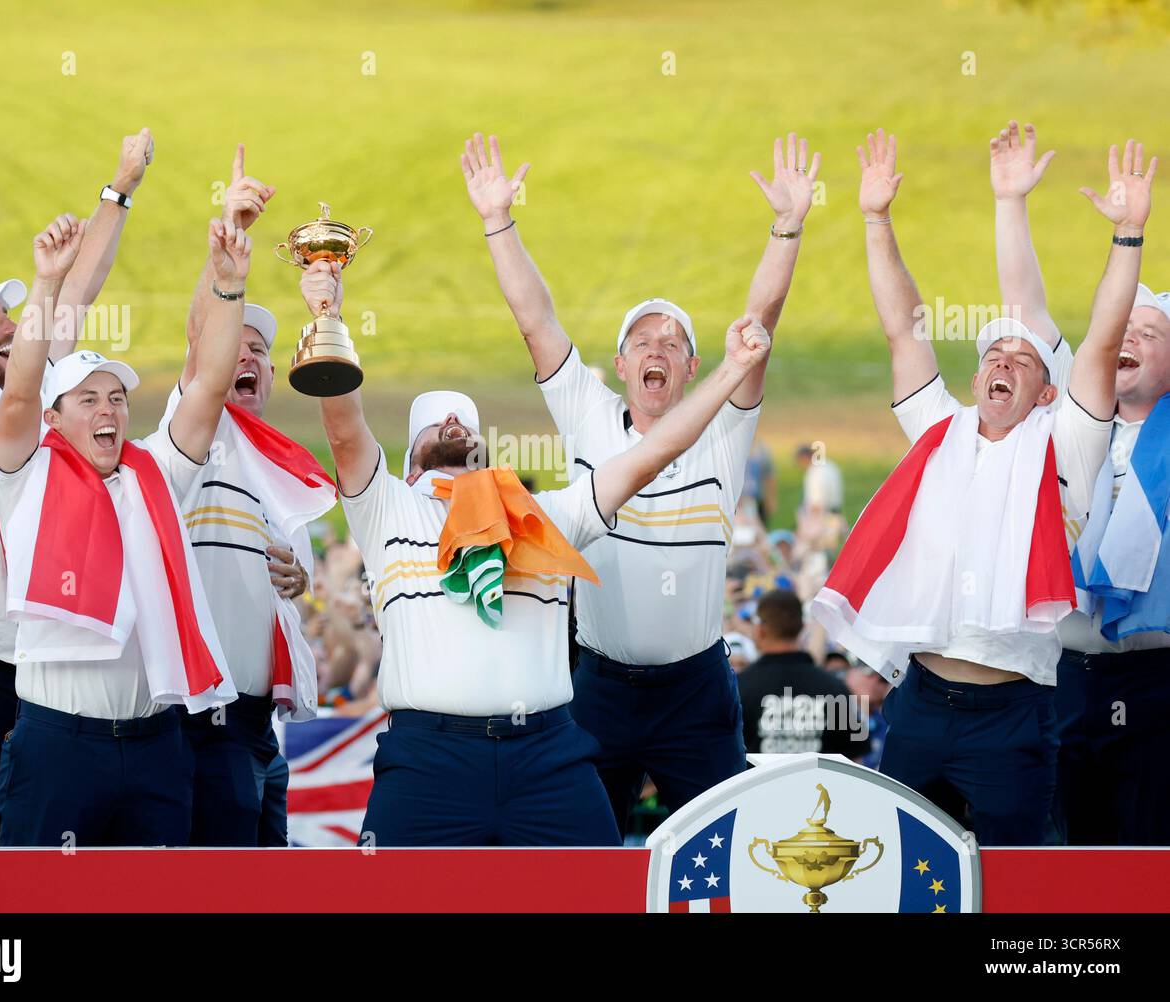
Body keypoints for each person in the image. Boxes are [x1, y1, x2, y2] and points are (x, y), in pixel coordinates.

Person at [309, 256, 772, 846]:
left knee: (597, 899)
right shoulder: (388, 510)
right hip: (428, 760)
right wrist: (329, 317)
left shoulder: (544, 515)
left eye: (463, 420)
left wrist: (733, 370)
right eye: (433, 423)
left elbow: (651, 455)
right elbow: (345, 432)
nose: (452, 420)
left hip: (549, 758)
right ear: (408, 464)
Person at [461, 130, 820, 834]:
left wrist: (787, 228)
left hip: (696, 689)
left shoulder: (722, 425)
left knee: (728, 851)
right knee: (583, 857)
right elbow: (535, 319)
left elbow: (760, 325)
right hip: (599, 686)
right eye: (641, 343)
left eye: (673, 344)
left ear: (691, 370)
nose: (656, 350)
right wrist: (497, 222)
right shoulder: (588, 415)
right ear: (620, 367)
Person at [811, 128, 1151, 846]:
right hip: (921, 704)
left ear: (1049, 390)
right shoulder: (941, 430)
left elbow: (1100, 338)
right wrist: (876, 220)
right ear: (974, 380)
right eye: (992, 353)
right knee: (898, 869)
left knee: (1018, 883)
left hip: (1015, 713)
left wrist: (1127, 236)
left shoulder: (1066, 445)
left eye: (1022, 358)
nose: (1004, 360)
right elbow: (903, 331)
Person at [0, 129, 154, 847]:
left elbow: (79, 290)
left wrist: (121, 185)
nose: (8, 325)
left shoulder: (38, 384)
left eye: (8, 311)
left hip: (49, 671)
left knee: (37, 857)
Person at [0, 216, 250, 847]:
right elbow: (19, 392)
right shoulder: (27, 470)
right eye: (88, 399)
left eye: (117, 398)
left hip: (155, 744)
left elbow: (210, 388)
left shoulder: (151, 471)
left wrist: (230, 287)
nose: (109, 410)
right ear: (55, 416)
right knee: (35, 905)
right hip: (57, 743)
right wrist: (47, 286)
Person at [990, 120, 1170, 845]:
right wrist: (1010, 203)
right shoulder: (1074, 407)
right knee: (1068, 853)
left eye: (1149, 334)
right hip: (1063, 673)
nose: (1126, 338)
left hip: (1159, 682)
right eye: (1121, 326)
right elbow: (1025, 309)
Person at [164, 144, 335, 847]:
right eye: (237, 348)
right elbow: (201, 342)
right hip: (206, 726)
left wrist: (301, 577)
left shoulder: (283, 469)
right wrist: (229, 243)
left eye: (261, 352)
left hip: (264, 729)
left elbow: (284, 586)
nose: (248, 359)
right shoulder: (191, 438)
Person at [738, 590, 857, 757]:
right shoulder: (836, 689)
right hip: (820, 784)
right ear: (802, 627)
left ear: (760, 630)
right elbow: (855, 761)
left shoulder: (738, 689)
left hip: (760, 783)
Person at [796, 444, 844, 515]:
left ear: (804, 458)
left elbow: (816, 502)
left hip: (822, 516)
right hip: (836, 511)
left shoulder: (814, 472)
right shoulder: (830, 465)